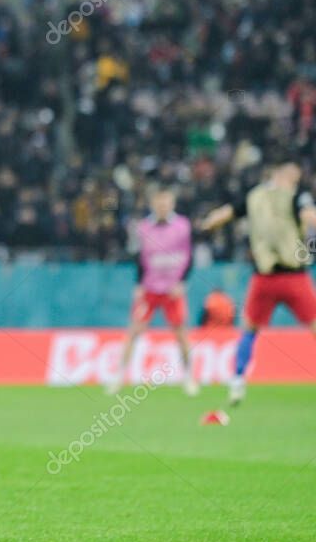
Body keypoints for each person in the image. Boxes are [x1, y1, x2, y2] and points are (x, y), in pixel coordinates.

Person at [201, 160, 316, 405]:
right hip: (293, 276)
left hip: (264, 276)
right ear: (284, 173)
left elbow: (228, 212)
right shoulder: (296, 195)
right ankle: (237, 380)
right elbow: (309, 215)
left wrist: (209, 221)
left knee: (250, 329)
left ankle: (237, 381)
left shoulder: (254, 196)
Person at [112, 188, 198, 395]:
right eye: (159, 203)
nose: (162, 207)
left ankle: (189, 377)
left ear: (172, 204)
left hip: (173, 289)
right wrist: (138, 285)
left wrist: (182, 282)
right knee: (134, 331)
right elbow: (139, 258)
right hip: (149, 288)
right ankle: (118, 377)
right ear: (153, 205)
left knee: (181, 333)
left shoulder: (183, 226)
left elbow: (190, 257)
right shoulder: (143, 227)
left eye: (166, 203)